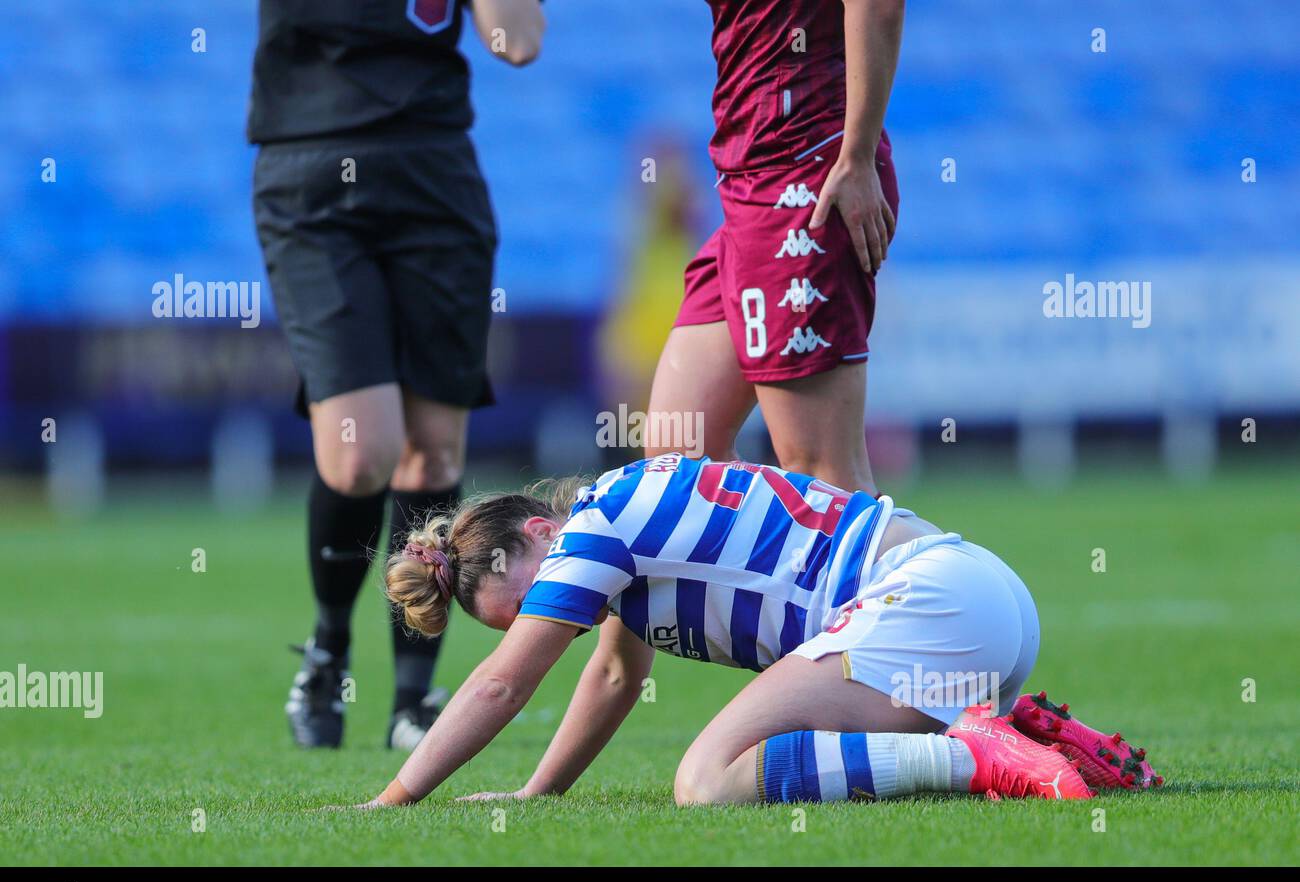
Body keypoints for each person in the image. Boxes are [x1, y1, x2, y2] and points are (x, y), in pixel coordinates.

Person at [351, 454, 1160, 808]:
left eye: (530, 609)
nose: (553, 624)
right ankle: (1021, 729)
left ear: (534, 533)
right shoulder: (615, 527)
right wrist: (538, 791)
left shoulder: (590, 535)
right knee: (749, 756)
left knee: (706, 780)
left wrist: (395, 798)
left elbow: (501, 681)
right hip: (977, 602)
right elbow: (611, 679)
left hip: (928, 606)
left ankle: (972, 753)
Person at [248, 0, 546, 749]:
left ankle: (413, 699)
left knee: (435, 453)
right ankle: (327, 652)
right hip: (311, 172)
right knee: (359, 454)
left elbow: (518, 41)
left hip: (433, 172)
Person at [646, 0, 906, 494]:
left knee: (824, 477)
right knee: (679, 463)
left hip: (805, 176)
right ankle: (785, 562)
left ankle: (942, 573)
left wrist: (857, 154)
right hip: (745, 189)